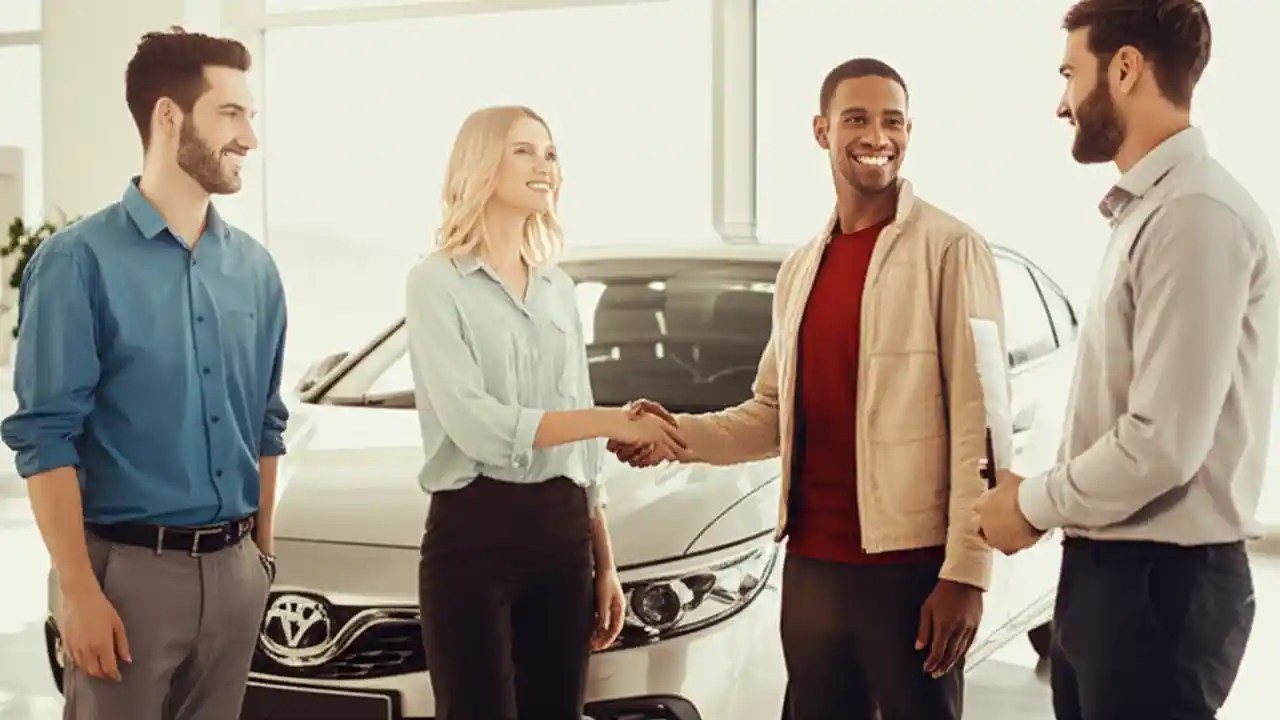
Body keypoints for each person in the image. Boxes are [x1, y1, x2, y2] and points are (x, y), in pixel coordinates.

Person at [611, 59, 1006, 720]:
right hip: (812, 567)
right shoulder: (801, 268)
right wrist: (673, 435)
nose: (876, 135)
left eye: (892, 120)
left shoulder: (951, 248)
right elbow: (769, 413)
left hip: (908, 569)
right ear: (822, 131)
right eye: (857, 118)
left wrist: (967, 572)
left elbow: (981, 420)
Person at [974, 1, 1278, 718]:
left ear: (1126, 68)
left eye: (1070, 74)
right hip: (1118, 574)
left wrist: (1030, 503)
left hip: (1160, 585)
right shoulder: (1155, 209)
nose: (1062, 103)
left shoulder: (1195, 215)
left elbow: (1161, 446)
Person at [0, 28, 285, 720]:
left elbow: (266, 423)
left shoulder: (254, 269)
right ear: (168, 116)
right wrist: (78, 590)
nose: (250, 136)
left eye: (251, 116)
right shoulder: (77, 262)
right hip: (126, 580)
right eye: (231, 113)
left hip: (236, 571)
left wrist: (261, 560)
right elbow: (45, 438)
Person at [403, 105, 687, 720]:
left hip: (564, 534)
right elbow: (476, 423)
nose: (544, 166)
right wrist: (611, 420)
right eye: (524, 150)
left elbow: (578, 436)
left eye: (550, 153)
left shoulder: (557, 288)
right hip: (474, 533)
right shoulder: (436, 283)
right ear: (482, 165)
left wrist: (604, 560)